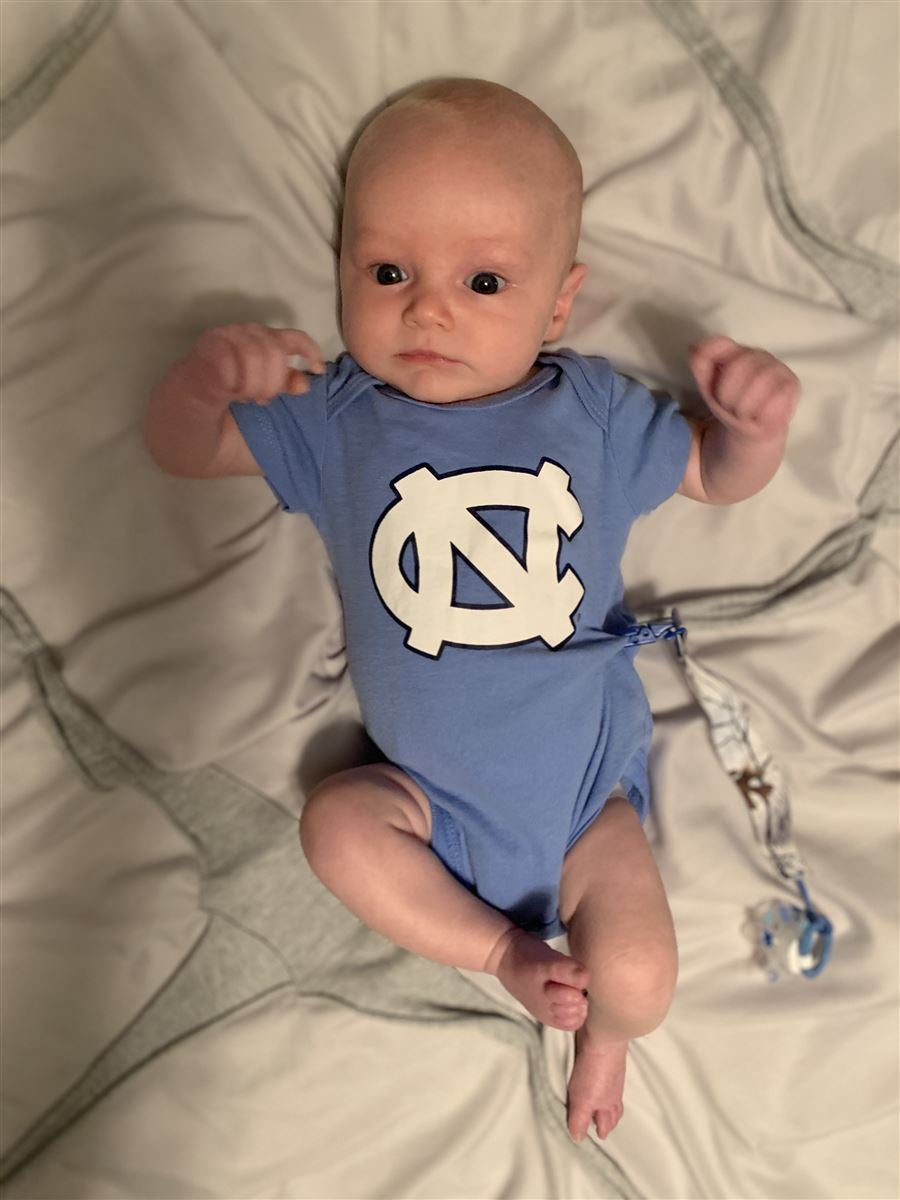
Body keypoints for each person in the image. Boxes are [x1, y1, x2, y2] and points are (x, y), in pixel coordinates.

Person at [143, 78, 800, 1144]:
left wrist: (753, 430)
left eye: (484, 279)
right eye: (388, 271)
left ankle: (602, 1032)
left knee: (638, 983)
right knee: (334, 824)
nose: (428, 308)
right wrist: (205, 384)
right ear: (343, 269)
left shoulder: (590, 410)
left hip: (591, 808)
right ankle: (499, 953)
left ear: (557, 304)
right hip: (426, 810)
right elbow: (183, 451)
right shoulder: (335, 416)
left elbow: (717, 478)